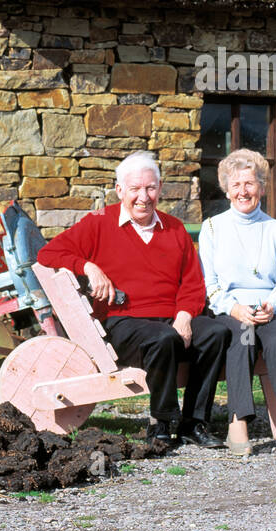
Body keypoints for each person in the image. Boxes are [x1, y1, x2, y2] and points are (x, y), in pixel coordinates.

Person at [35, 150, 229, 448]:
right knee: (163, 339)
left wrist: (185, 316)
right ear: (119, 190)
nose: (143, 197)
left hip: (170, 318)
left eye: (150, 188)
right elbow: (47, 254)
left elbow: (193, 283)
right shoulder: (98, 222)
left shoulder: (175, 228)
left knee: (216, 333)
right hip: (122, 322)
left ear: (160, 189)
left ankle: (194, 423)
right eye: (135, 189)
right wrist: (88, 266)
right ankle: (161, 423)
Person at [199, 149, 276, 456]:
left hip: (269, 309)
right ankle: (238, 422)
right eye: (236, 185)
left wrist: (272, 305)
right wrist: (235, 308)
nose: (243, 191)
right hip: (232, 310)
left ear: (261, 187)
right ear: (226, 189)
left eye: (249, 184)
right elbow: (211, 284)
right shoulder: (212, 228)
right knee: (244, 339)